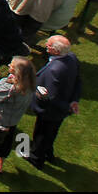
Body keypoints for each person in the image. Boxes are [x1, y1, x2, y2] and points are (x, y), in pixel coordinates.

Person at [28, 35, 82, 169]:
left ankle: (36, 159)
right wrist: (74, 100)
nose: (46, 44)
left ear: (56, 51)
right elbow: (78, 81)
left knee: (41, 134)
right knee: (51, 134)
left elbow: (51, 97)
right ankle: (48, 154)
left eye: (49, 44)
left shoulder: (55, 70)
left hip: (50, 110)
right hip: (62, 107)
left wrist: (68, 107)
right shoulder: (72, 58)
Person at [0, 56, 35, 175]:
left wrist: (6, 80)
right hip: (12, 121)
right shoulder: (30, 86)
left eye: (11, 65)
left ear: (17, 71)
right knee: (5, 144)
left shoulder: (11, 88)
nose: (9, 65)